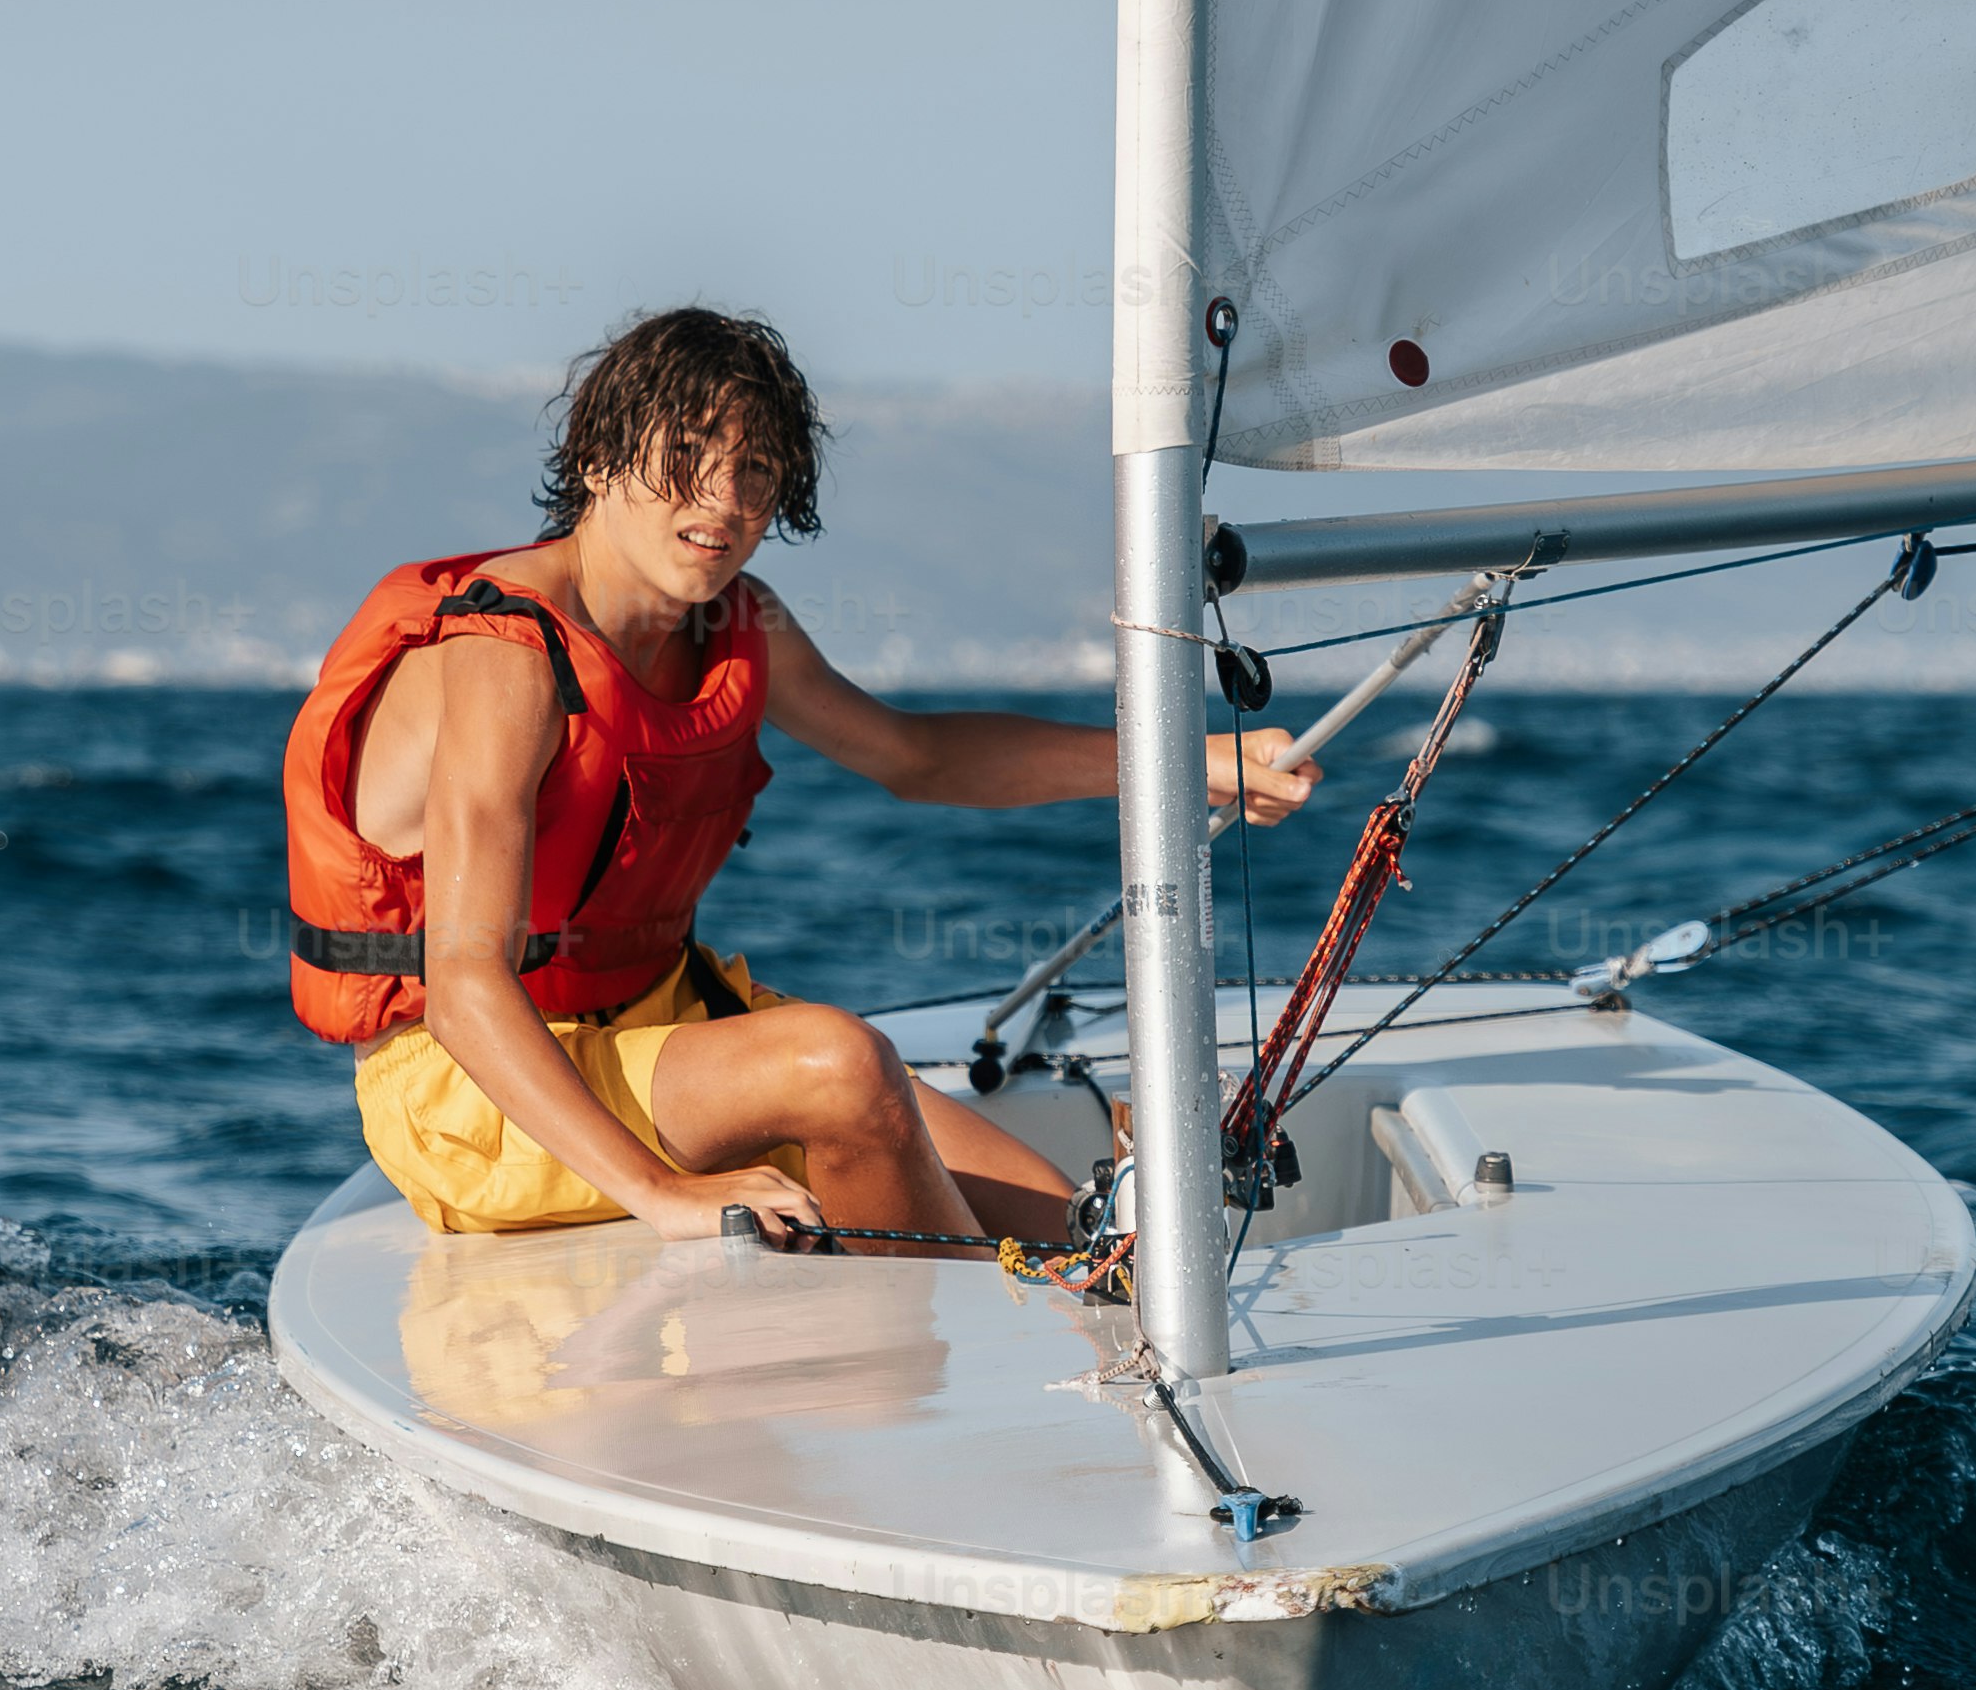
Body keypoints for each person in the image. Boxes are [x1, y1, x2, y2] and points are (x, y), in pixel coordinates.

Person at [280, 304, 1309, 1247]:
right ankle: (929, 1382)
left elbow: (919, 756)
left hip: (659, 1037)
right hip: (469, 1091)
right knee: (838, 1064)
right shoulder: (509, 655)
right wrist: (664, 1191)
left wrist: (1188, 762)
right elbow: (463, 989)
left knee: (1063, 1219)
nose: (722, 503)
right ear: (596, 460)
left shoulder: (738, 621)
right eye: (684, 458)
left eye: (755, 471)